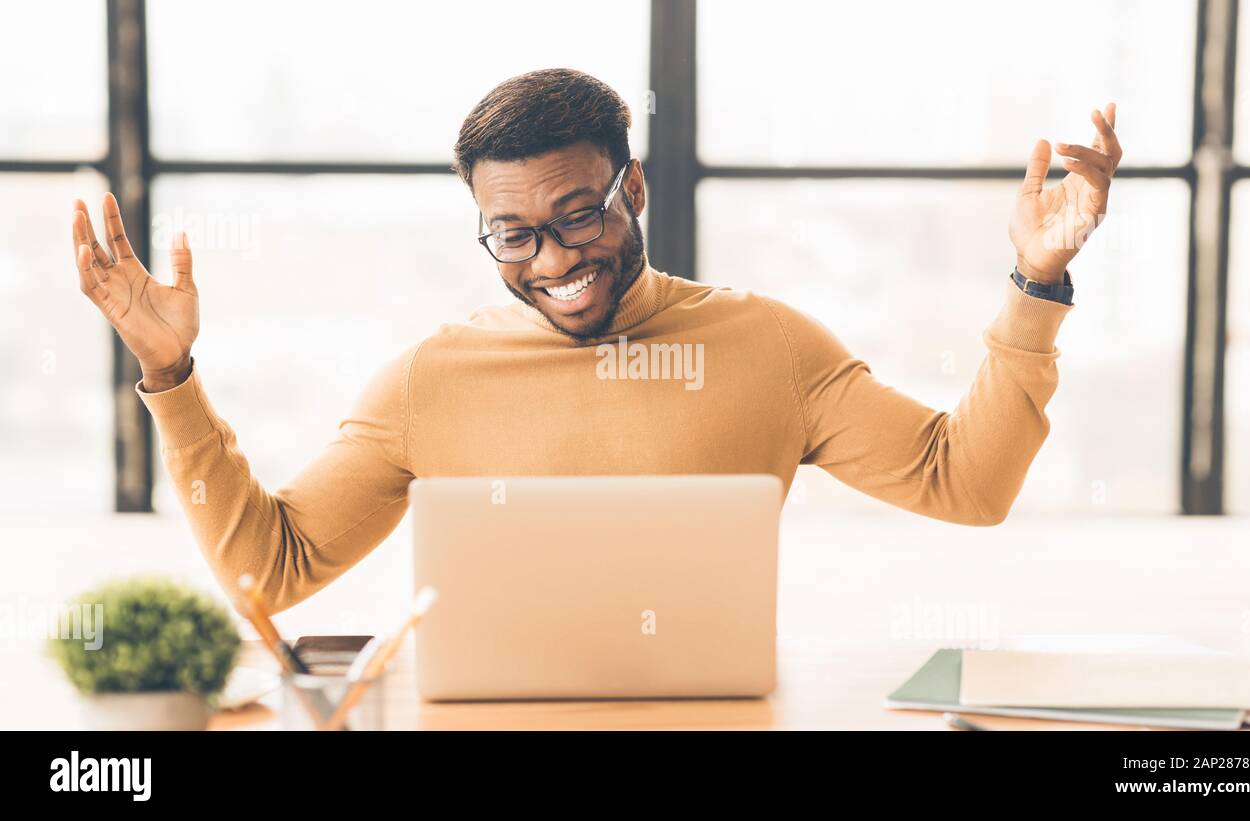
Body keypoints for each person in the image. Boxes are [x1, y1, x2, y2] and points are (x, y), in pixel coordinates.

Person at [71, 69, 1122, 613]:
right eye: (513, 234)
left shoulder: (769, 345)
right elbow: (276, 568)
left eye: (581, 214)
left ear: (636, 187)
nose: (555, 258)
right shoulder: (430, 378)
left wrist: (1035, 281)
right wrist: (169, 372)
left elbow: (967, 484)